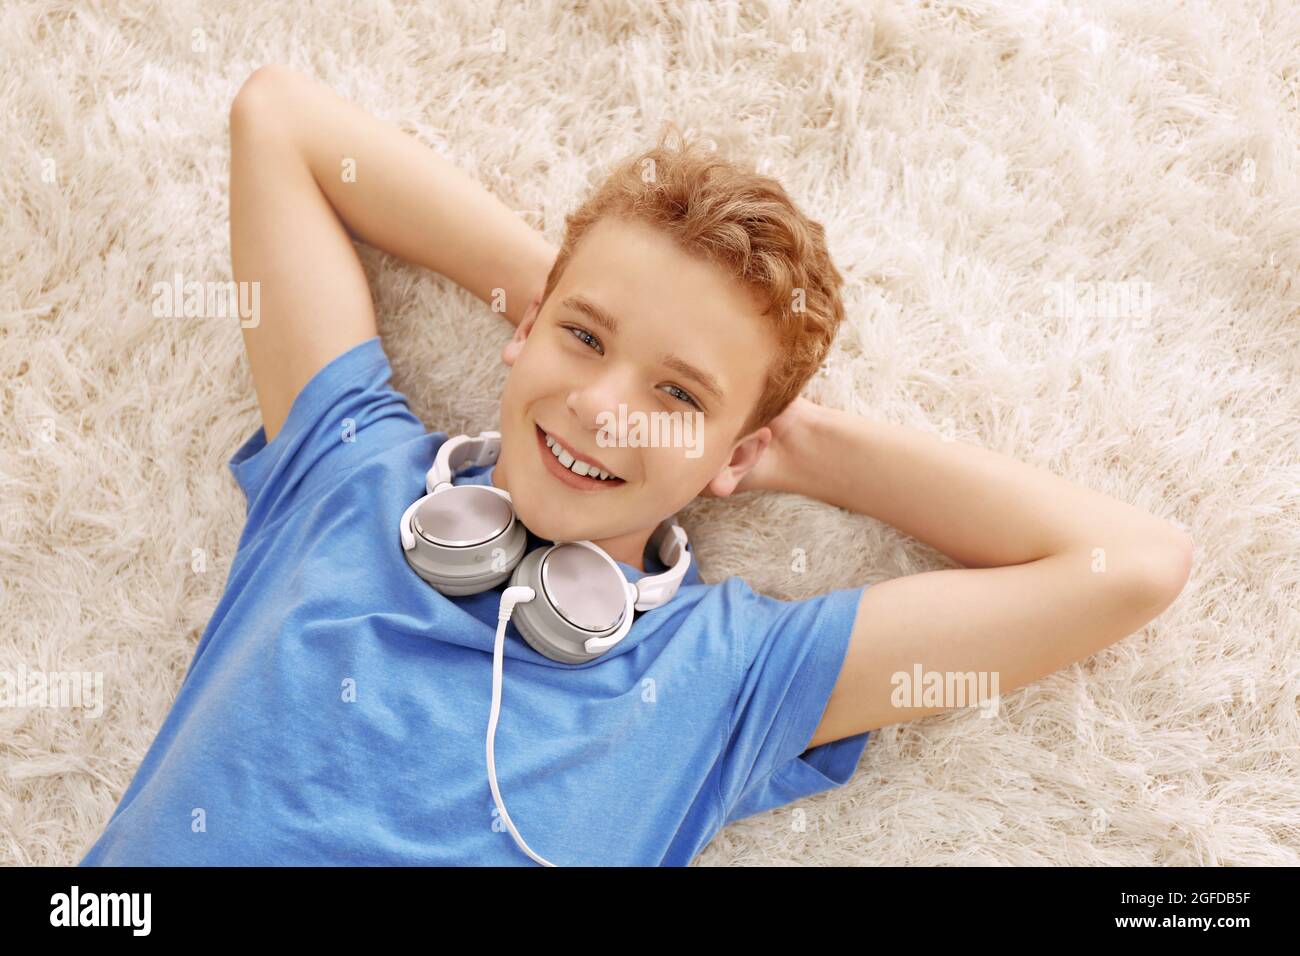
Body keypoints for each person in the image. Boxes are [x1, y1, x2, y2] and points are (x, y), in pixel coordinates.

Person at [79, 65, 1192, 866]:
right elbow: (279, 121)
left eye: (676, 394)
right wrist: (567, 295)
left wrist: (785, 438)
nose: (602, 410)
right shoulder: (348, 471)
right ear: (523, 326)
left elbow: (1133, 562)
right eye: (582, 338)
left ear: (738, 448)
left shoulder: (731, 671)